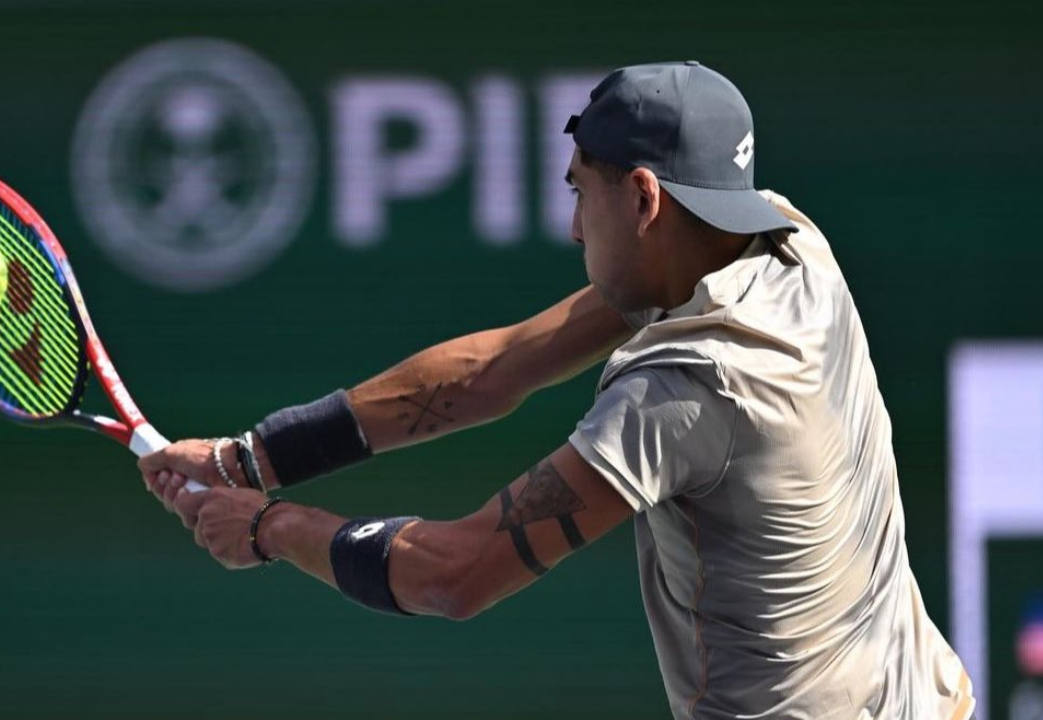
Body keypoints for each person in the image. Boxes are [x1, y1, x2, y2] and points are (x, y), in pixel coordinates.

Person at [138, 61, 973, 719]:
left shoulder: (690, 391)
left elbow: (454, 575)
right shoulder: (778, 239)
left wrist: (271, 529)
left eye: (581, 190)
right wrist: (251, 458)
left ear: (644, 198)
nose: (575, 226)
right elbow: (496, 369)